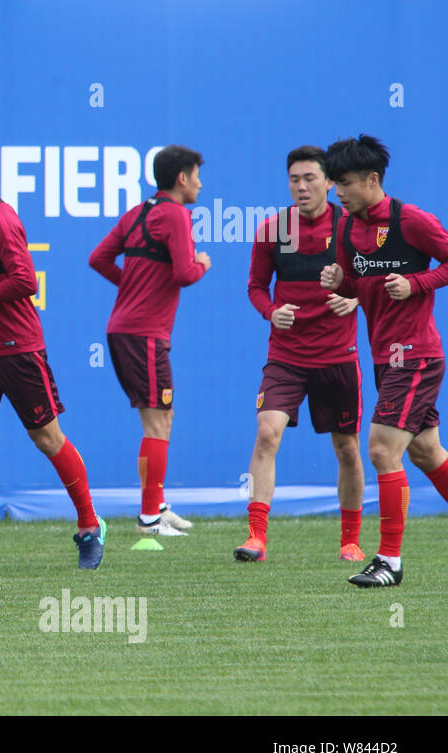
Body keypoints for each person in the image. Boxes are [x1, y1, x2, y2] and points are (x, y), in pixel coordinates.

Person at [0, 138, 106, 571]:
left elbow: (26, 281)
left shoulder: (1, 219)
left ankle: (90, 526)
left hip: (18, 348)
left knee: (47, 439)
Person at [319, 134, 448, 588]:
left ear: (373, 180)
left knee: (379, 449)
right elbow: (354, 287)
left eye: (346, 183)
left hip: (416, 354)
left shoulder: (409, 220)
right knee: (425, 451)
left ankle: (389, 561)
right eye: (335, 183)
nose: (338, 192)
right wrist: (338, 282)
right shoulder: (345, 228)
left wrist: (417, 283)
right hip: (383, 356)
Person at [236, 146, 364, 563]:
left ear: (329, 183)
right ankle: (256, 538)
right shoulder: (274, 229)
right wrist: (272, 312)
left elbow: (375, 280)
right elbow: (255, 286)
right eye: (294, 179)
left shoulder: (351, 227)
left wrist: (355, 298)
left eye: (310, 178)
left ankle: (350, 540)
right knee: (267, 433)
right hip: (287, 356)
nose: (302, 186)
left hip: (337, 356)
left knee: (347, 447)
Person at [89, 144, 211, 539]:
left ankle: (156, 504)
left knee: (162, 417)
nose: (199, 183)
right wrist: (203, 264)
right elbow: (185, 273)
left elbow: (98, 258)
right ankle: (148, 520)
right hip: (143, 334)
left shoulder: (138, 212)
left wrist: (133, 287)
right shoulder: (176, 215)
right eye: (196, 175)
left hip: (127, 329)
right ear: (181, 178)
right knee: (157, 421)